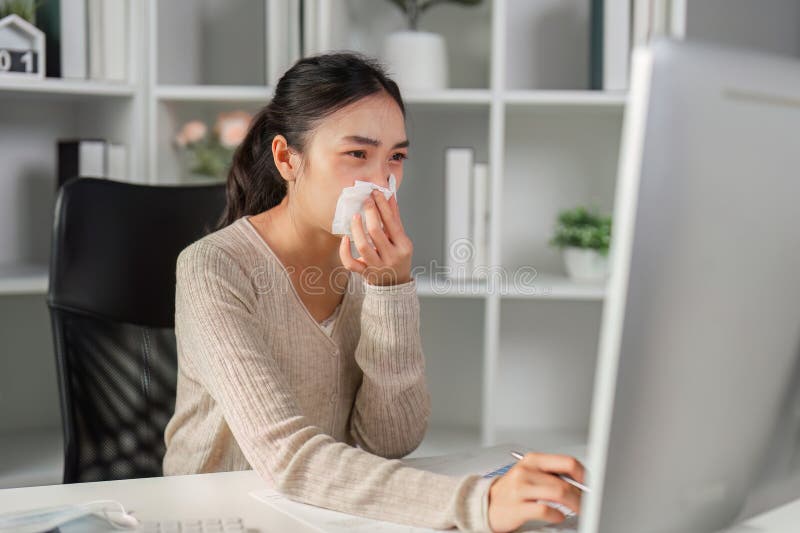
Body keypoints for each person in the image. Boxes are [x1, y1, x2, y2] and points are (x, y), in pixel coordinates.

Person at [162, 51, 586, 533]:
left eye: (396, 157)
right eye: (357, 154)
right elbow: (286, 456)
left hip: (318, 512)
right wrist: (477, 501)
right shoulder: (213, 267)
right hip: (213, 517)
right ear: (287, 158)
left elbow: (390, 439)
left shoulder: (372, 268)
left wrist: (391, 290)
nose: (381, 181)